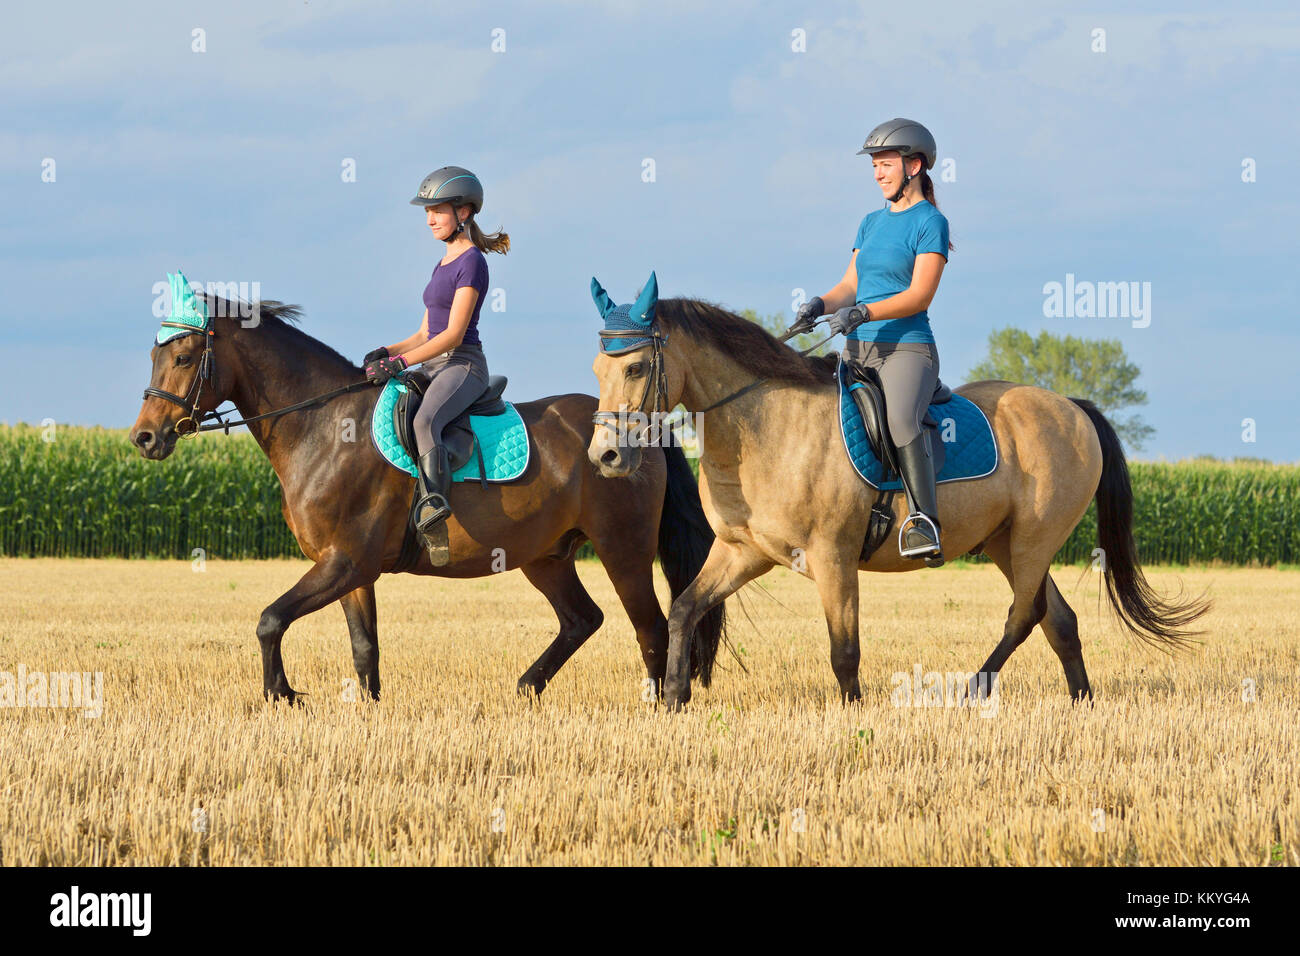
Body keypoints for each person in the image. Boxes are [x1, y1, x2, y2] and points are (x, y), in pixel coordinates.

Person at [795, 119, 953, 566]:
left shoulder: (931, 223)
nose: (878, 174)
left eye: (885, 165)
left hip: (906, 350)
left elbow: (919, 294)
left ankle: (925, 522)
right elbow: (851, 285)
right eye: (875, 167)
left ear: (914, 165)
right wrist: (820, 305)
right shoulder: (869, 223)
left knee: (902, 421)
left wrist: (866, 311)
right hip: (857, 351)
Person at [362, 166, 510, 537]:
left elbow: (453, 335)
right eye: (427, 212)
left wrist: (400, 362)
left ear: (463, 212)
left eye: (437, 210)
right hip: (433, 365)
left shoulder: (472, 261)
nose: (429, 219)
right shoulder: (442, 263)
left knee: (425, 421)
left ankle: (435, 508)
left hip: (462, 366)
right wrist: (384, 351)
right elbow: (426, 331)